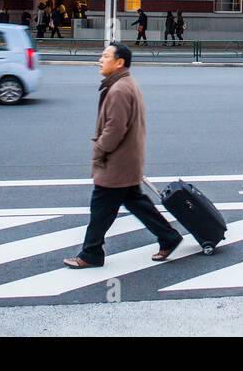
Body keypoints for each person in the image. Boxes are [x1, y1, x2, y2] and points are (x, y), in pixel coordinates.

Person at [62, 43, 183, 269]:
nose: (100, 59)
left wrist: (99, 149)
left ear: (119, 62)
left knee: (101, 209)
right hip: (127, 159)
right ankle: (169, 237)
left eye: (105, 56)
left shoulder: (118, 89)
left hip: (116, 162)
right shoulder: (126, 83)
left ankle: (91, 253)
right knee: (136, 202)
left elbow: (114, 129)